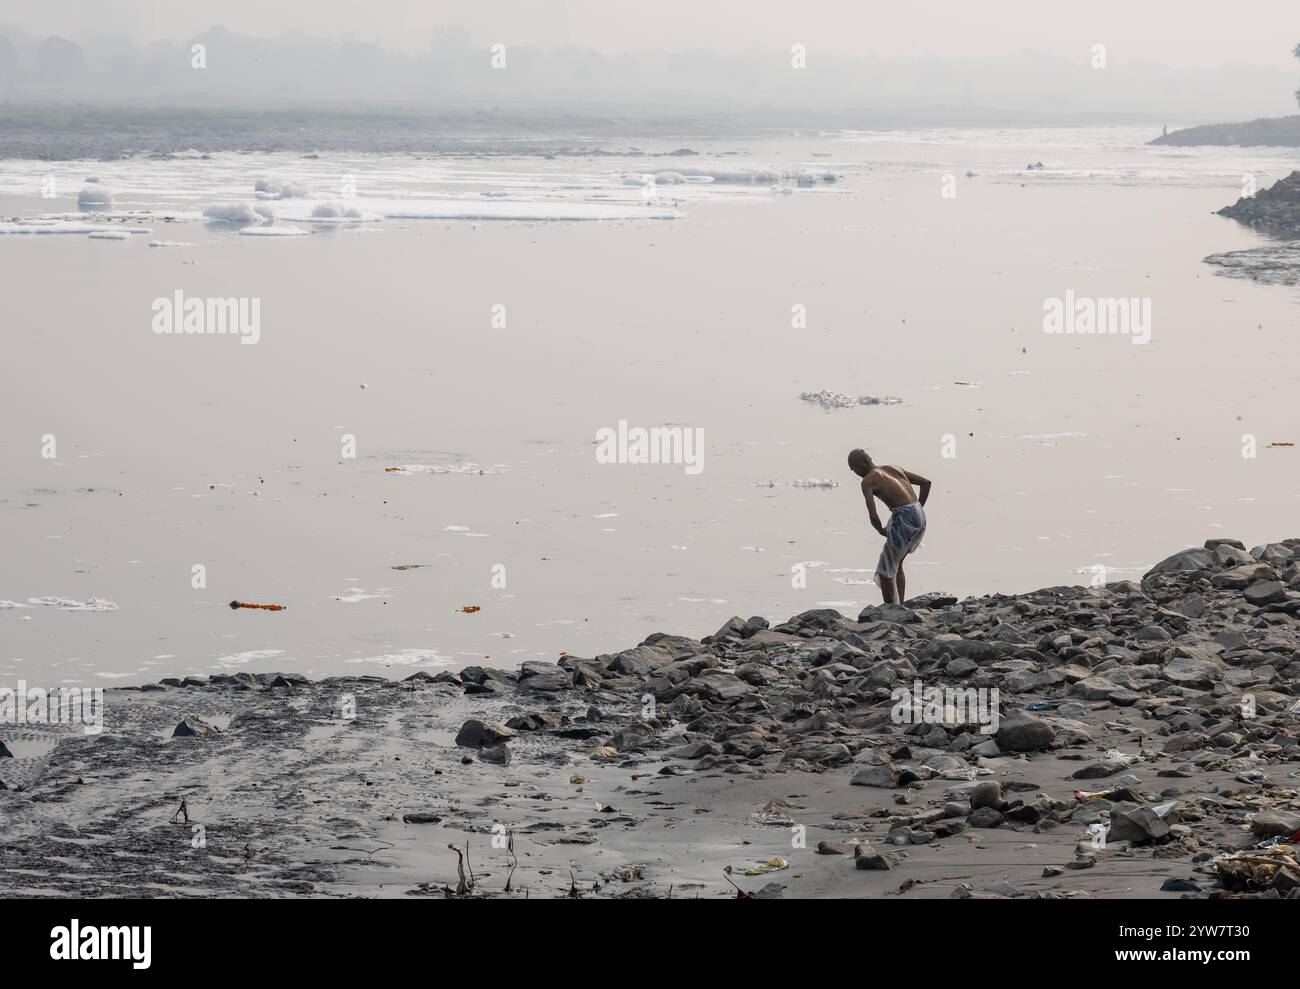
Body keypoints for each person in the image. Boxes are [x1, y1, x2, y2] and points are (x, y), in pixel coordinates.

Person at [847, 449, 931, 605]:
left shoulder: (868, 481)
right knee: (896, 562)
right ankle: (900, 606)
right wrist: (917, 510)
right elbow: (926, 483)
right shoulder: (893, 468)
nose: (855, 473)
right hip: (918, 512)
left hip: (904, 516)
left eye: (854, 469)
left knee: (885, 570)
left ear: (861, 464)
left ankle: (890, 611)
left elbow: (873, 515)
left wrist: (880, 530)